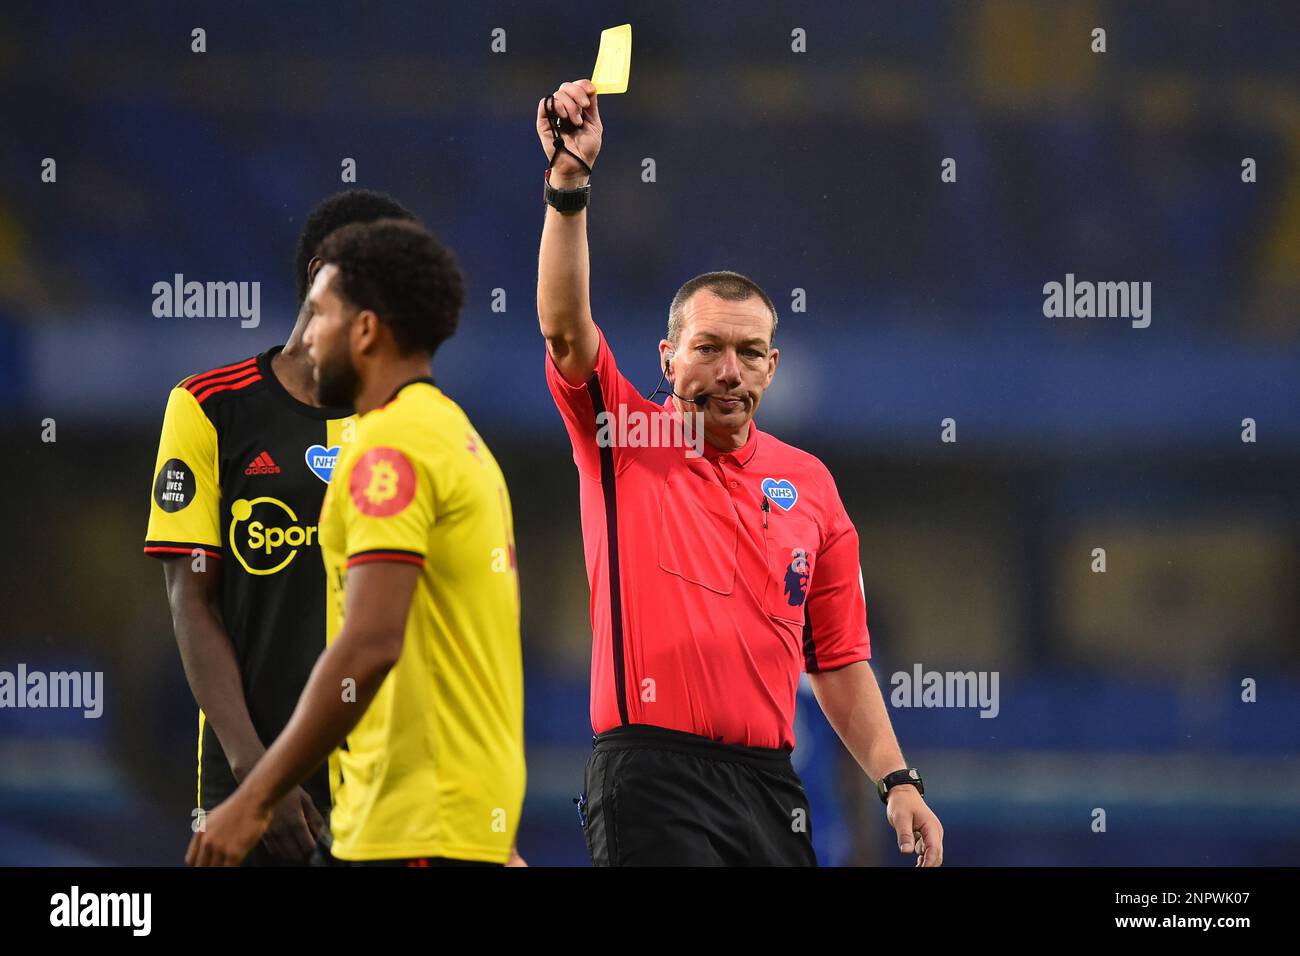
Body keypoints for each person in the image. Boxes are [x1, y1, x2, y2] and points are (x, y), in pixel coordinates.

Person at [536, 78, 944, 866]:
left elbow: (838, 660)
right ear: (666, 358)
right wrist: (568, 186)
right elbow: (563, 330)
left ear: (772, 366)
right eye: (708, 348)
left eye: (749, 352)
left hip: (769, 785)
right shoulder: (622, 434)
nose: (730, 370)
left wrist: (899, 780)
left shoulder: (812, 485)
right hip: (650, 775)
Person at [186, 218, 525, 867]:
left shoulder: (388, 448)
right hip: (445, 821)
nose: (306, 336)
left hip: (410, 829)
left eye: (319, 314)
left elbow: (370, 645)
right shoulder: (458, 438)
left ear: (365, 330)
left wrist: (254, 797)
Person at [144, 190, 416, 865]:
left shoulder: (407, 423)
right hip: (245, 776)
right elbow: (191, 599)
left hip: (384, 789)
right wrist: (257, 773)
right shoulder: (209, 407)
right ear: (324, 274)